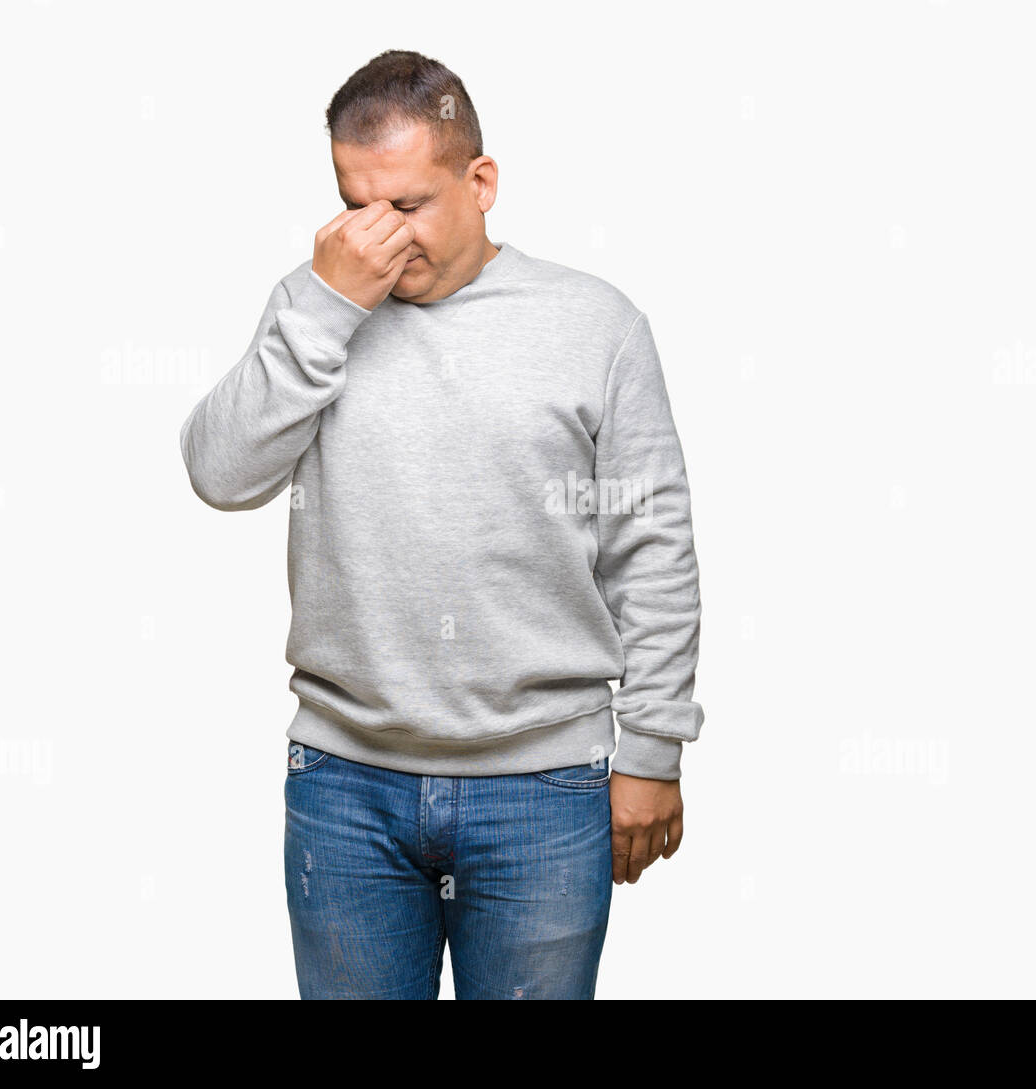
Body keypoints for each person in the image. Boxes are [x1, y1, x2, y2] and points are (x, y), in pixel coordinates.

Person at [179, 49, 704, 1000]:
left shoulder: (597, 324)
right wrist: (328, 308)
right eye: (356, 203)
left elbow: (653, 548)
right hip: (344, 781)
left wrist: (653, 750)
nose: (379, 235)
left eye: (408, 204)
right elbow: (220, 474)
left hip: (547, 785)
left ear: (481, 183)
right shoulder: (313, 304)